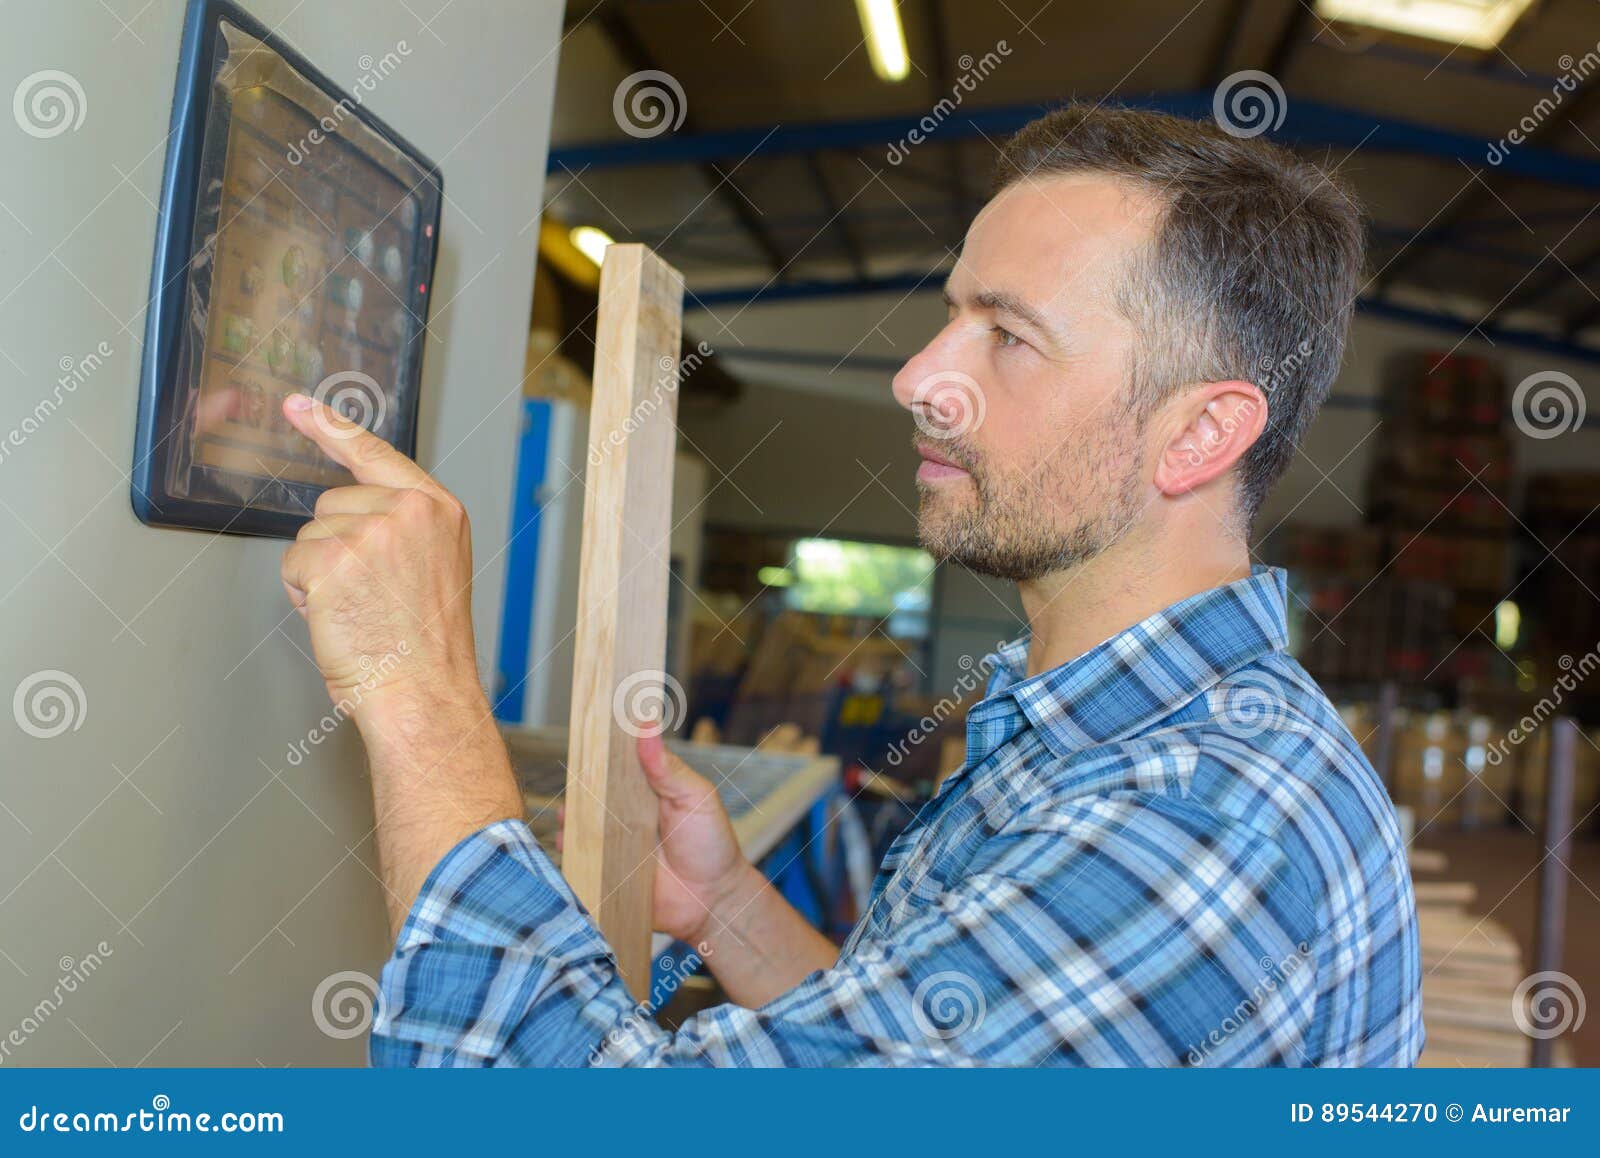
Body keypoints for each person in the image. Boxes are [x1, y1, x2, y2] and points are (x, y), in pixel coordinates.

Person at [278, 103, 1422, 1067]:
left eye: (1007, 337)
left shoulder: (1195, 833)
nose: (920, 377)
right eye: (948, 316)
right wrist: (727, 908)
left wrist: (419, 691)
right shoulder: (1098, 734)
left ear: (1199, 434)